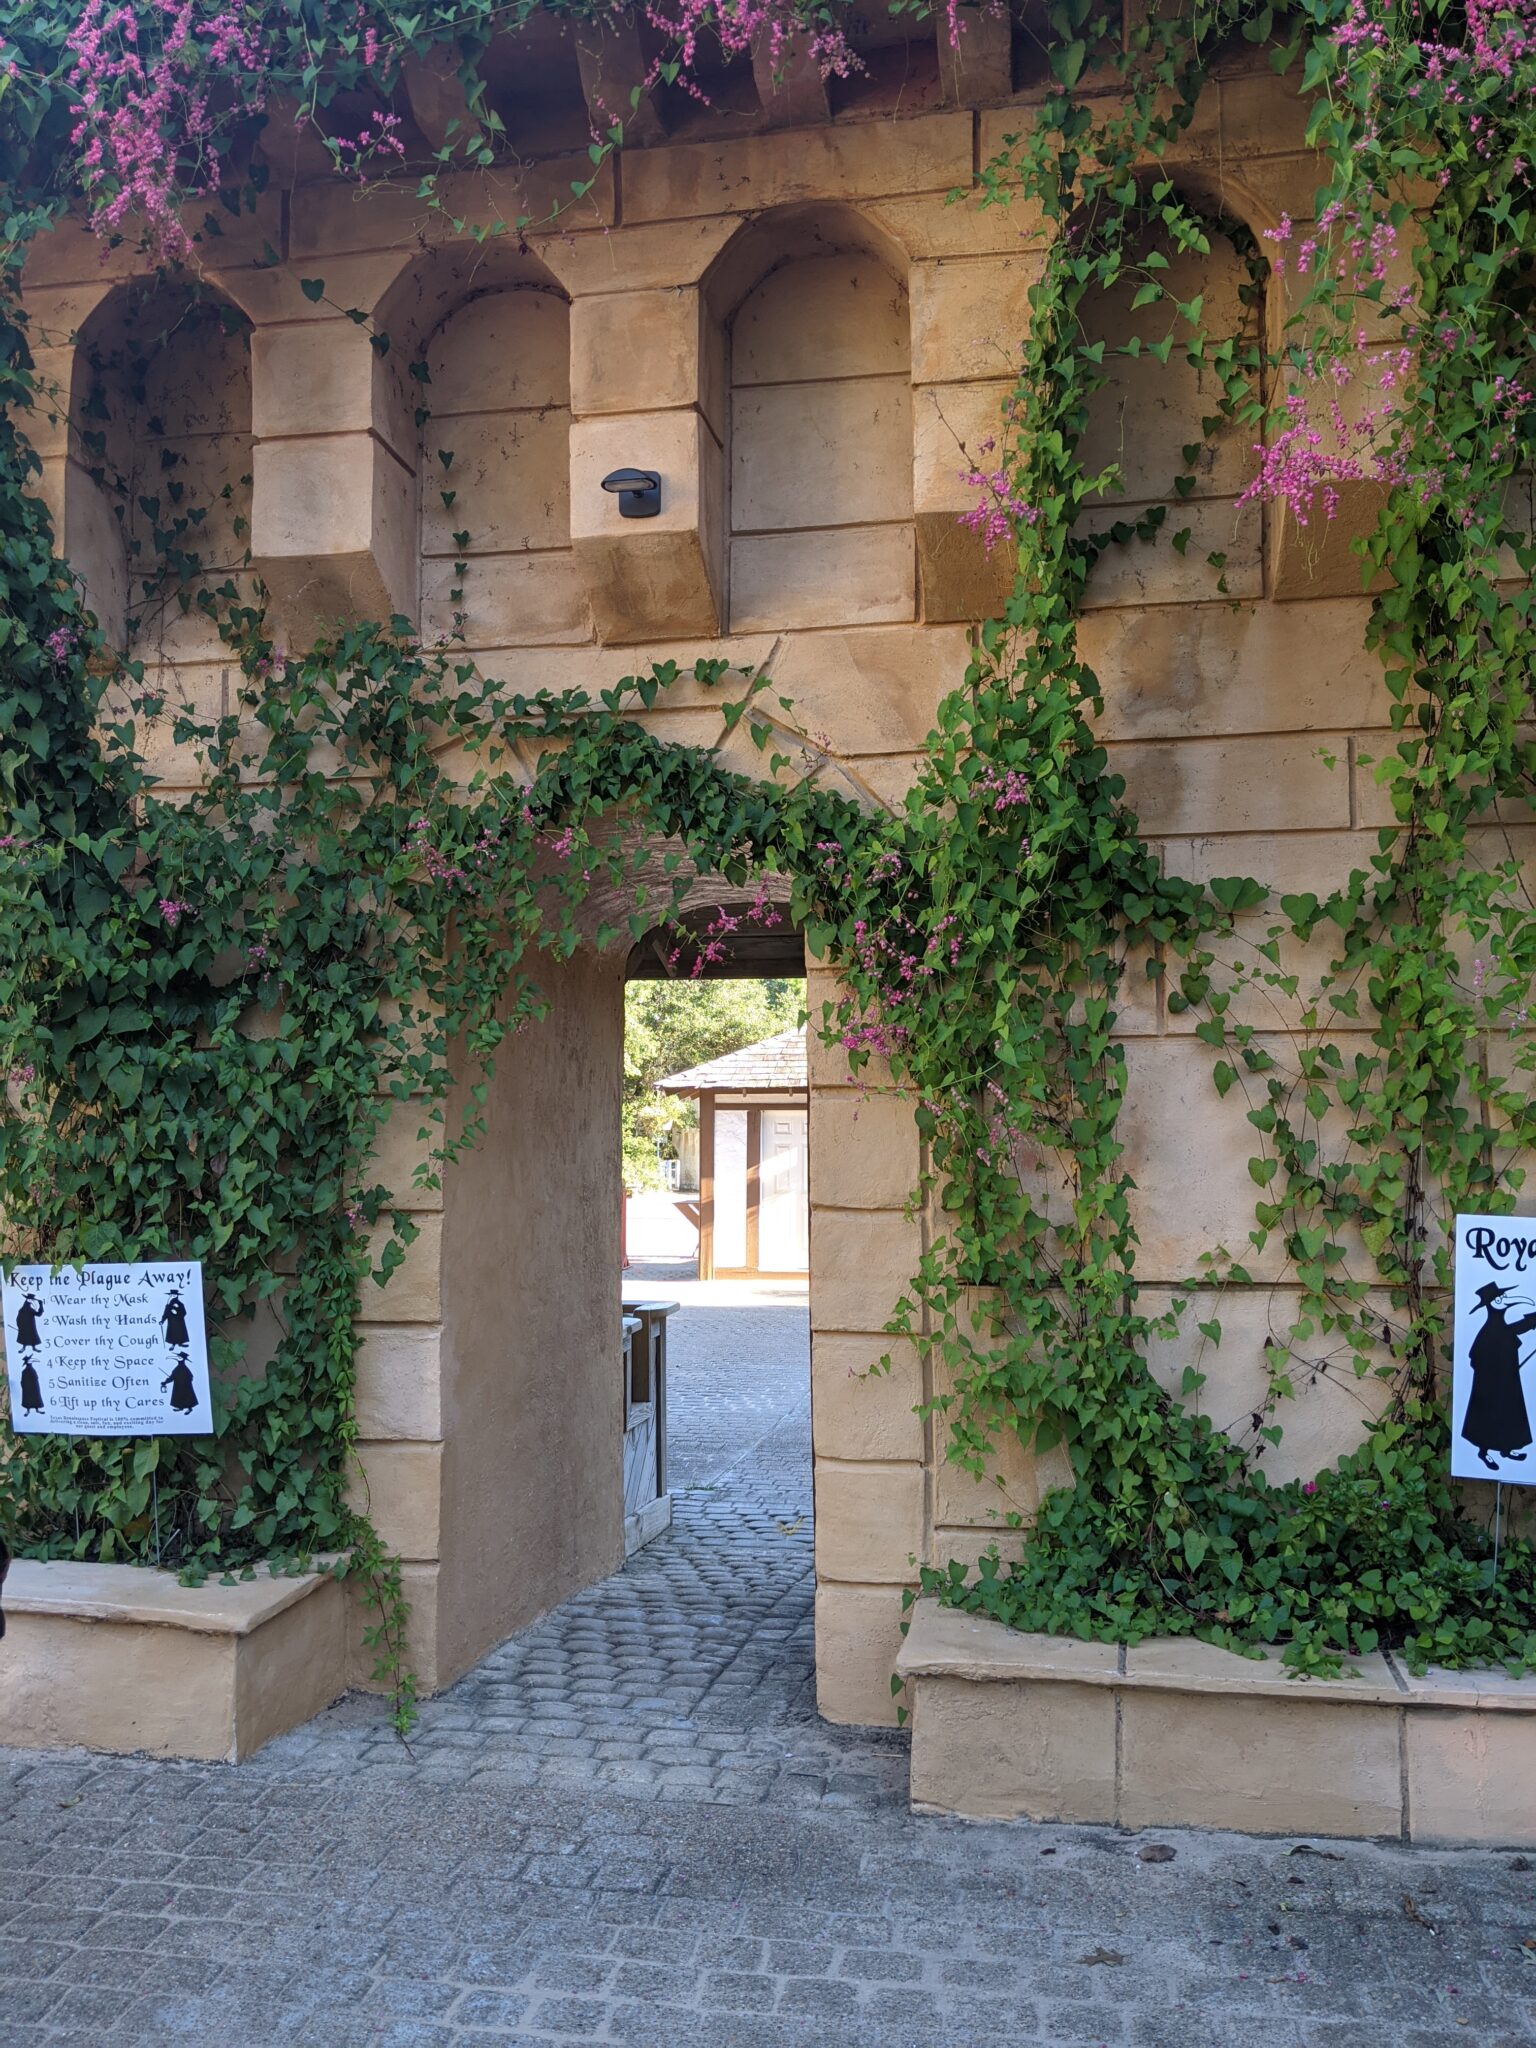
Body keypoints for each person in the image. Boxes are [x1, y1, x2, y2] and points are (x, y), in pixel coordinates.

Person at [1462, 1281, 1536, 1472]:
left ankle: (1506, 1448)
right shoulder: (1489, 1331)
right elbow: (1476, 1357)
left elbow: (1514, 1330)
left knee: (1509, 1409)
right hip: (1489, 1384)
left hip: (1507, 1379)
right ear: (1491, 1303)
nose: (1503, 1299)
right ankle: (1483, 1450)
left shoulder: (1501, 1327)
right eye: (1499, 1298)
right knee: (1488, 1412)